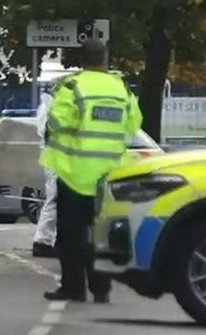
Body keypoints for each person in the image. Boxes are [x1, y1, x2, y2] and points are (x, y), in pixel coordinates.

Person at [40, 39, 142, 303]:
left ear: (81, 60)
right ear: (105, 59)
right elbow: (134, 125)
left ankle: (73, 287)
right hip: (109, 176)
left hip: (75, 175)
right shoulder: (120, 89)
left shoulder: (72, 87)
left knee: (70, 236)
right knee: (102, 234)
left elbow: (57, 123)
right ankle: (101, 289)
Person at [32, 90, 58, 258]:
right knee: (55, 199)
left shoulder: (48, 107)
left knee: (55, 200)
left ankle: (45, 240)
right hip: (56, 158)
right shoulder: (51, 110)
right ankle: (43, 241)